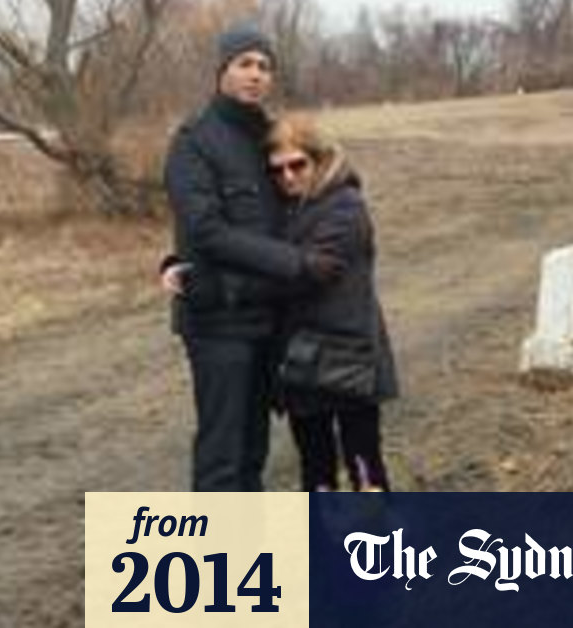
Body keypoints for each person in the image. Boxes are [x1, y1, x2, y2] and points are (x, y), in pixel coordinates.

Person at [162, 23, 345, 492]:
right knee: (223, 457)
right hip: (218, 321)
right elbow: (206, 229)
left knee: (253, 452)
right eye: (244, 63)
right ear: (222, 71)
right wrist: (294, 263)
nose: (256, 74)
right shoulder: (194, 142)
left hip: (269, 318)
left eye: (265, 66)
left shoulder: (271, 137)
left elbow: (323, 178)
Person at [265, 114, 399, 492]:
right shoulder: (280, 209)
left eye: (297, 165)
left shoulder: (345, 206)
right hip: (300, 359)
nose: (288, 177)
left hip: (346, 354)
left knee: (364, 465)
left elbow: (313, 270)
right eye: (278, 170)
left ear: (319, 159)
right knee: (315, 469)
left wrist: (253, 266)